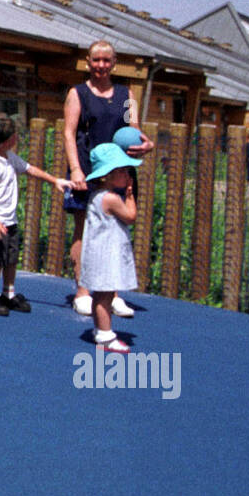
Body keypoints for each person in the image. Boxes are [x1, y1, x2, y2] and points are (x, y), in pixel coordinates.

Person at [62, 40, 154, 318]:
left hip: (119, 171)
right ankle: (83, 292)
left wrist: (147, 145)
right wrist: (76, 169)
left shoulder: (127, 95)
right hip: (88, 169)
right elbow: (69, 132)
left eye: (106, 61)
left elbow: (134, 129)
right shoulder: (77, 93)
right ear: (88, 62)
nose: (100, 66)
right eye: (96, 60)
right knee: (84, 230)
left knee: (117, 233)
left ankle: (112, 294)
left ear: (114, 63)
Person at [0, 114, 70, 316]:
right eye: (14, 134)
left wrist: (54, 181)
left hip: (9, 221)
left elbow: (29, 169)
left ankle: (8, 294)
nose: (17, 137)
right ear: (7, 140)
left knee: (10, 259)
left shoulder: (9, 158)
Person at [78, 143, 142, 353]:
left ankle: (101, 330)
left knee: (101, 295)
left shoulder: (97, 195)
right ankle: (105, 336)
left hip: (99, 253)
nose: (127, 175)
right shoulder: (112, 198)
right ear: (106, 175)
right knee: (104, 296)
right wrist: (131, 196)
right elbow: (131, 217)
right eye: (121, 171)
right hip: (106, 255)